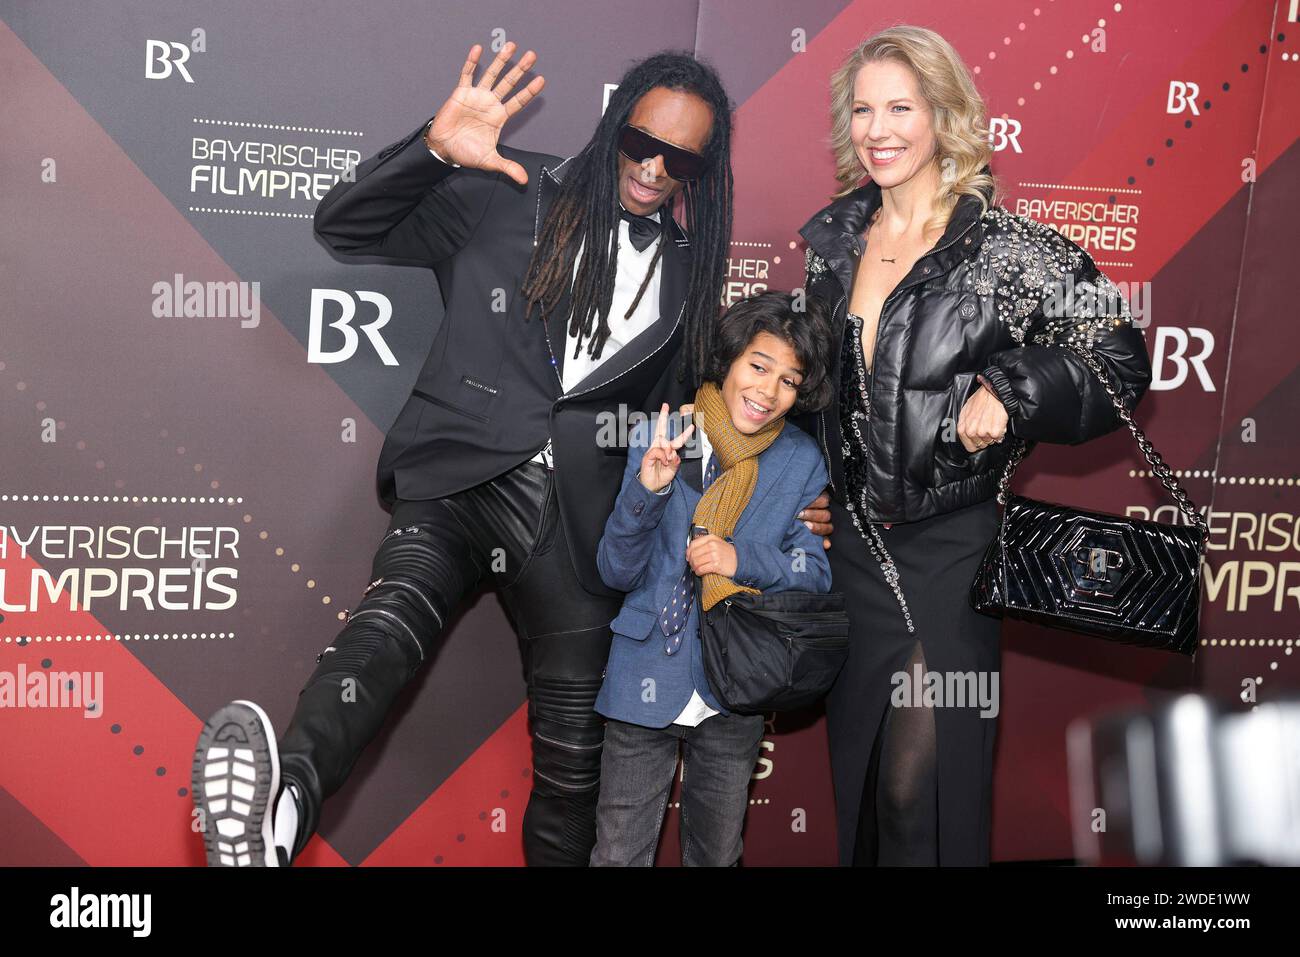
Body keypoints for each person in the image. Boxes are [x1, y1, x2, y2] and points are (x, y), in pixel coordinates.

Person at [191, 41, 835, 868]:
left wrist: (792, 493)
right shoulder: (508, 187)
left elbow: (712, 410)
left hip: (577, 534)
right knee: (388, 625)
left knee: (573, 771)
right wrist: (432, 147)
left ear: (700, 169)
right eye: (640, 141)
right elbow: (343, 225)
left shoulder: (688, 273)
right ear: (615, 124)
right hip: (461, 477)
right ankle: (280, 811)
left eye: (678, 157)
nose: (651, 166)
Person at [794, 25, 1153, 865]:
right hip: (853, 552)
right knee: (867, 786)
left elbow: (1120, 359)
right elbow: (823, 396)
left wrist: (1015, 387)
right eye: (862, 110)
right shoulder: (834, 248)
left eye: (899, 108)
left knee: (920, 788)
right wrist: (803, 488)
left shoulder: (1008, 250)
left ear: (944, 115)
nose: (877, 129)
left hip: (952, 550)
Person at [588, 291, 834, 866]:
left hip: (736, 683)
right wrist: (647, 492)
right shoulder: (662, 432)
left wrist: (739, 559)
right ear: (728, 360)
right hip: (644, 667)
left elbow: (812, 574)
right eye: (759, 366)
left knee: (718, 854)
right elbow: (615, 569)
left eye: (790, 382)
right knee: (619, 852)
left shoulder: (800, 460)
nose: (768, 392)